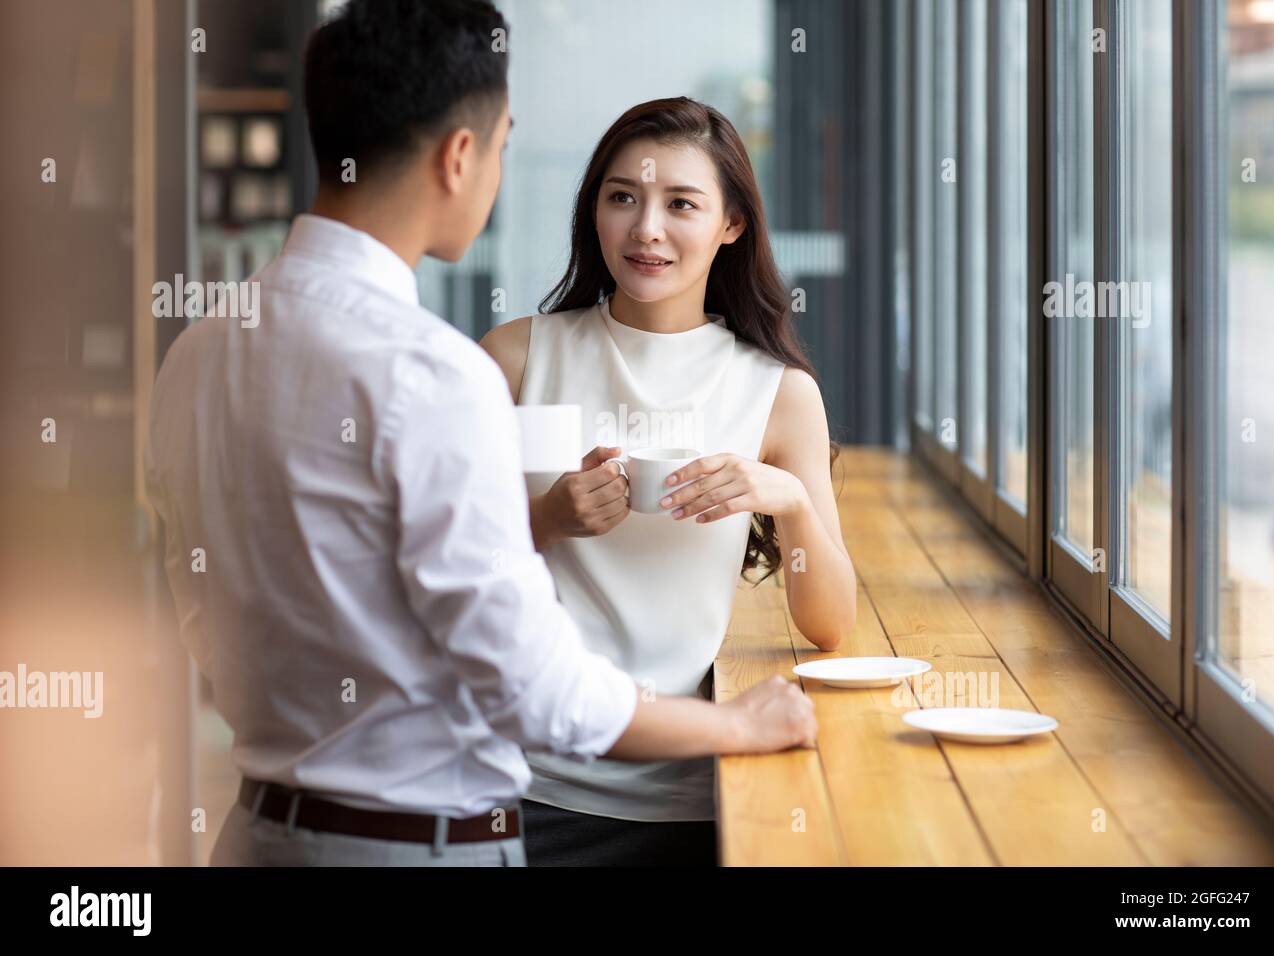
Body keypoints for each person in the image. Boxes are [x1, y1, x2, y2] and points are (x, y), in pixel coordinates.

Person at [144, 0, 815, 868]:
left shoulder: (197, 352)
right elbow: (535, 687)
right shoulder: (437, 375)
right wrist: (734, 725)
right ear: (460, 156)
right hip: (417, 845)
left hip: (255, 834)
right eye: (502, 145)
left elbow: (203, 617)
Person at [480, 97, 856, 866]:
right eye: (622, 198)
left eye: (681, 203)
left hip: (689, 794)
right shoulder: (517, 358)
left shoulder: (779, 394)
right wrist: (547, 518)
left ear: (732, 224)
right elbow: (441, 566)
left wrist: (788, 501)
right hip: (523, 784)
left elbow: (831, 625)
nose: (645, 229)